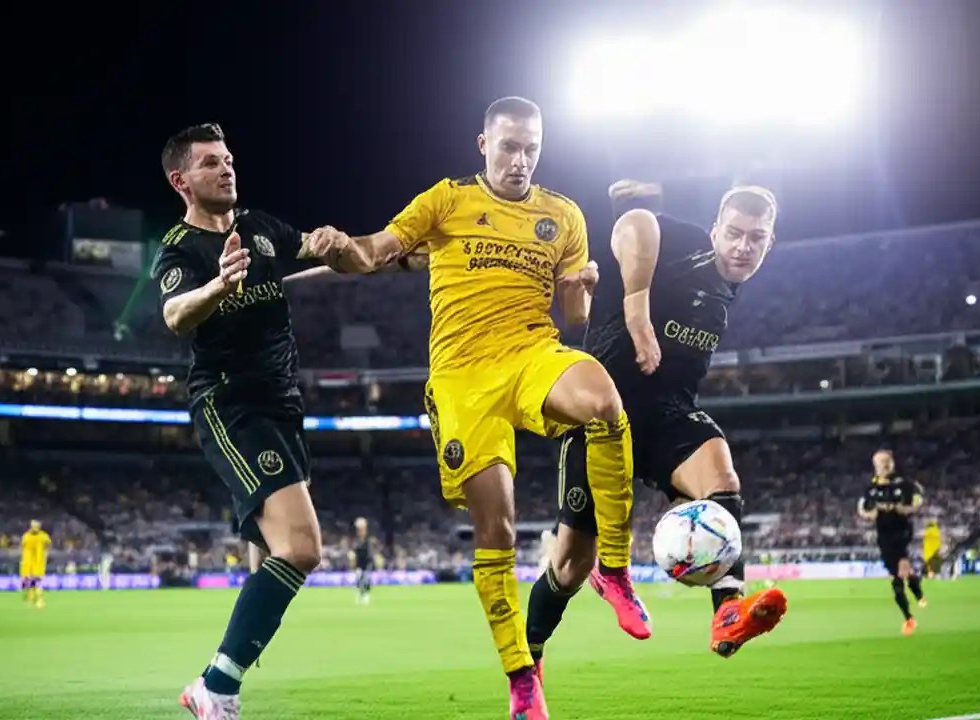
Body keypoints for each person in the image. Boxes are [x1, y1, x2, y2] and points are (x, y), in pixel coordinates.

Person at [304, 97, 645, 719]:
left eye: (532, 148)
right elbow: (374, 252)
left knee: (603, 401)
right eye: (510, 146)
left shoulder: (563, 215)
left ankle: (615, 570)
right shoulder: (446, 200)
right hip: (462, 378)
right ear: (483, 144)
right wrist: (338, 247)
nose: (521, 160)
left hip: (530, 353)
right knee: (499, 531)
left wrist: (579, 292)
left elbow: (574, 321)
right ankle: (522, 678)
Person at [529, 181, 791, 674]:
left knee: (723, 481)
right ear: (714, 230)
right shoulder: (685, 246)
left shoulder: (727, 285)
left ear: (769, 243)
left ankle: (728, 612)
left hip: (668, 413)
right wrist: (636, 308)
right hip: (603, 417)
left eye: (756, 238)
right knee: (569, 568)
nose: (742, 246)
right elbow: (635, 224)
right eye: (733, 233)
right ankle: (529, 662)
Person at [154, 122, 338, 720]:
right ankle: (216, 686)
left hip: (283, 404)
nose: (226, 168)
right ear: (182, 180)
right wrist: (217, 285)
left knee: (272, 560)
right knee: (304, 547)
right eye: (211, 162)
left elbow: (314, 252)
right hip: (232, 403)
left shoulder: (259, 228)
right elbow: (177, 315)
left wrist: (368, 252)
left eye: (229, 157)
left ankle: (221, 685)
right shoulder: (180, 248)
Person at [858, 449, 926, 634]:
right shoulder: (871, 487)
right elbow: (863, 508)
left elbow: (919, 498)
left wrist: (907, 508)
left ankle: (912, 612)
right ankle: (912, 608)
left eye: (887, 462)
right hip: (883, 534)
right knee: (897, 575)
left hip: (901, 530)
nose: (884, 466)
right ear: (875, 465)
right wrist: (870, 514)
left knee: (901, 569)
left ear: (892, 463)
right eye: (880, 463)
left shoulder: (903, 483)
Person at [20, 520, 51, 608]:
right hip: (29, 563)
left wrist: (45, 553)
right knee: (30, 581)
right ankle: (33, 598)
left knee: (36, 581)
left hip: (37, 562)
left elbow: (48, 545)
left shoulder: (41, 536)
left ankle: (37, 599)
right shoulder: (28, 536)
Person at [351, 517, 375, 606]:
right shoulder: (358, 541)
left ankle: (365, 596)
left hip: (366, 564)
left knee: (366, 580)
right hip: (359, 564)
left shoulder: (367, 541)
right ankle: (359, 595)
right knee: (359, 580)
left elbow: (368, 553)